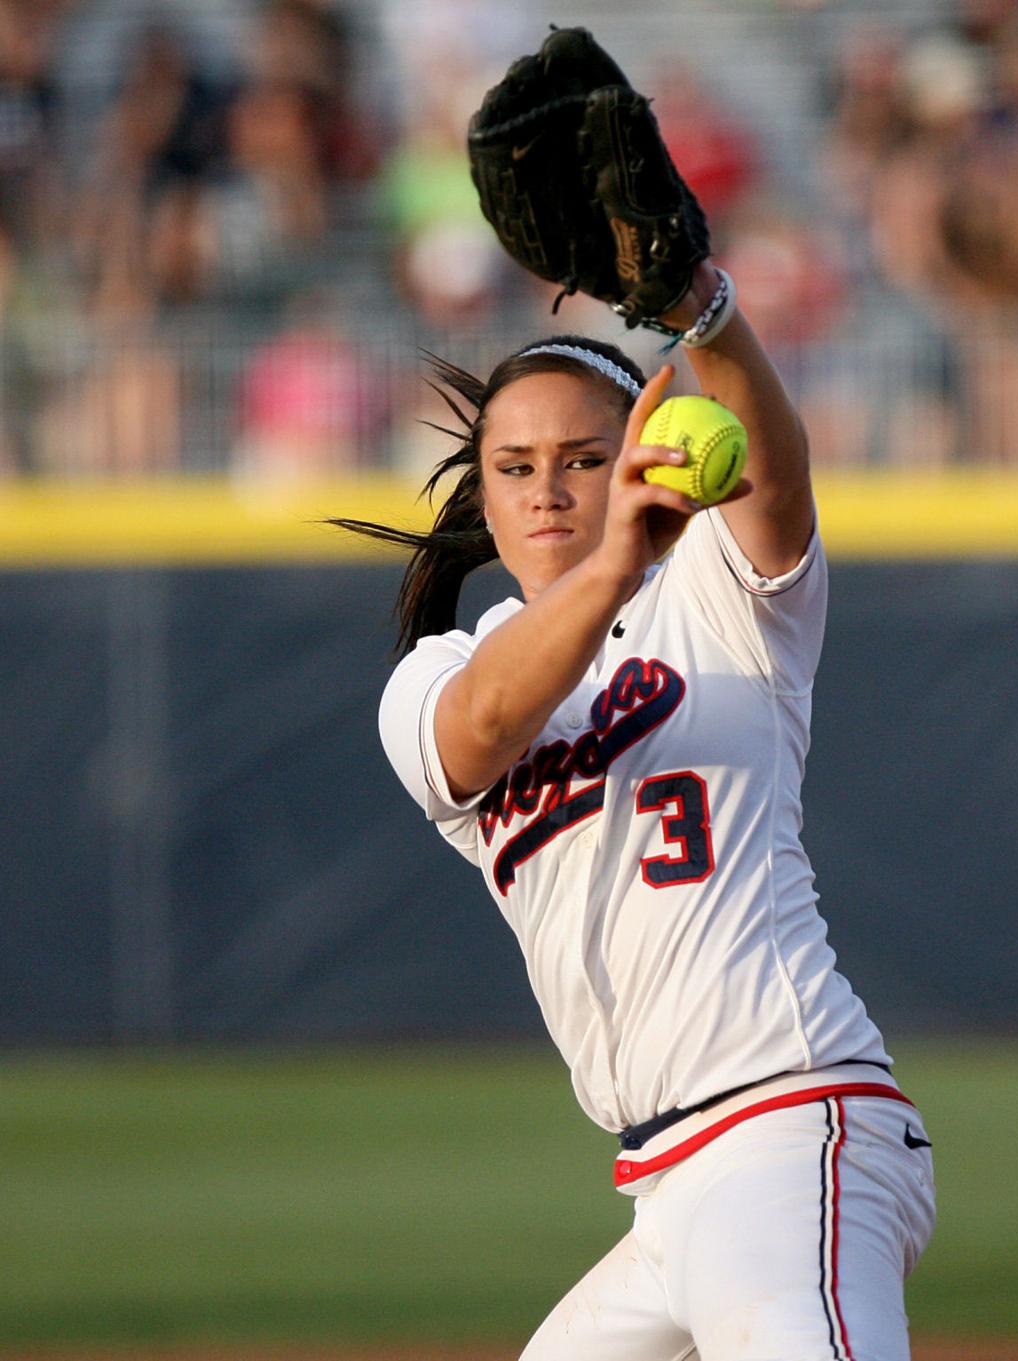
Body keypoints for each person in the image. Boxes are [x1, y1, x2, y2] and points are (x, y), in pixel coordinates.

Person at [338, 246, 936, 1360]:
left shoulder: (717, 596)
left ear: (643, 459)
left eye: (581, 456)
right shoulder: (434, 679)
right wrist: (610, 568)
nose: (548, 488)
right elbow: (485, 723)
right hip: (665, 1186)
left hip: (786, 1125)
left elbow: (775, 467)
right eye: (513, 465)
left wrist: (702, 311)